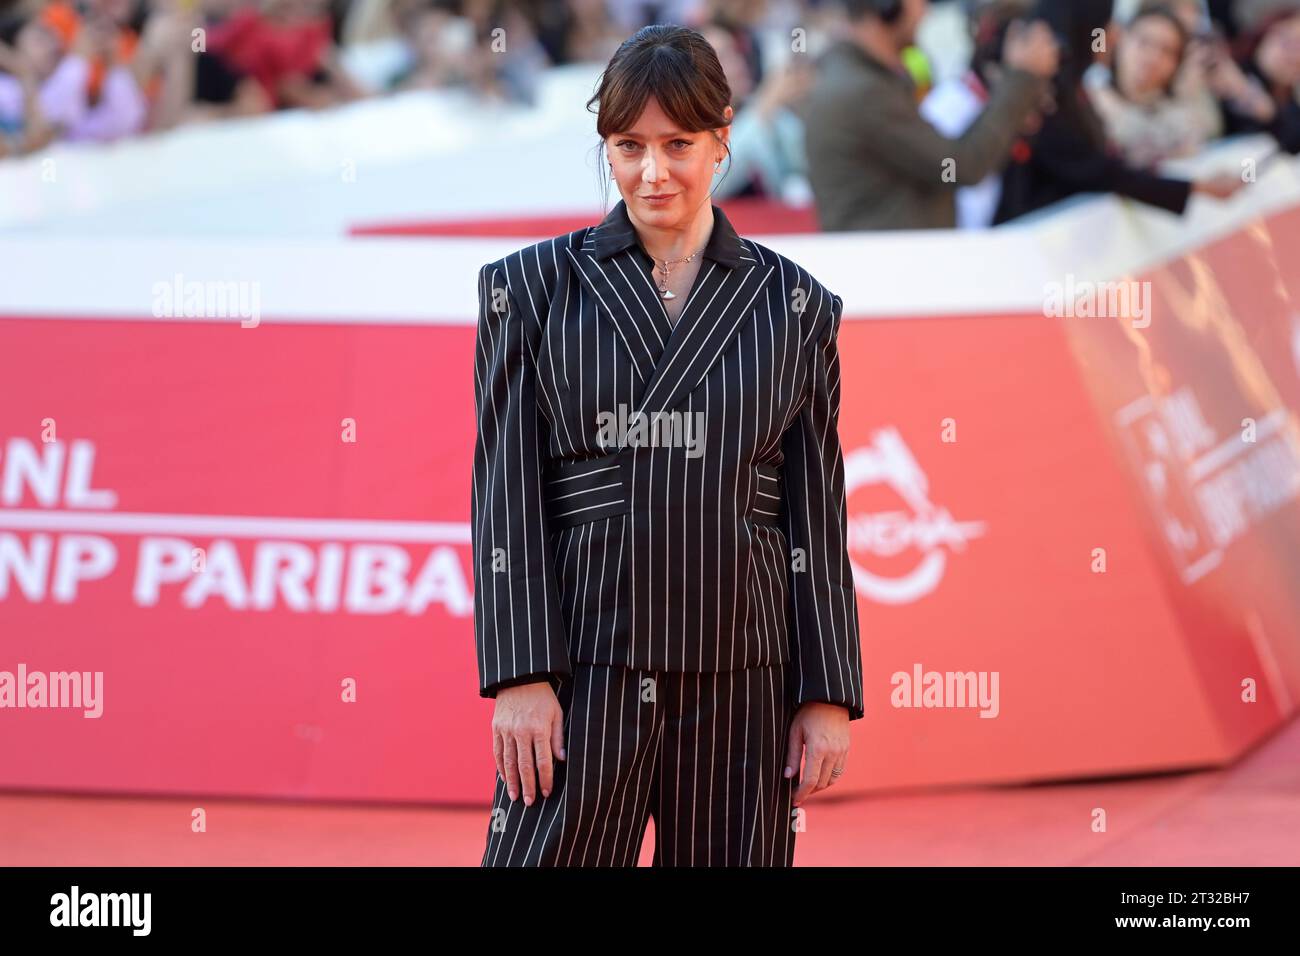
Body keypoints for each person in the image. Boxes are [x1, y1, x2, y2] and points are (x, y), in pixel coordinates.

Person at [471, 24, 864, 867]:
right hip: (584, 667)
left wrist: (826, 691)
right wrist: (519, 675)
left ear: (724, 135)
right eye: (628, 146)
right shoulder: (528, 289)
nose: (654, 172)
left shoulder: (797, 306)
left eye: (679, 144)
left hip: (741, 671)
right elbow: (504, 494)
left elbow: (815, 511)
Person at [800, 0, 1059, 231]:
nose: (926, 10)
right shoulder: (863, 91)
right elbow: (963, 167)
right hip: (893, 272)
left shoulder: (861, 80)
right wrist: (1022, 77)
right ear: (886, 5)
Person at [993, 0, 1244, 224]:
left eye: (1167, 51)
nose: (1112, 35)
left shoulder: (1072, 92)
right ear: (1085, 29)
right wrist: (1199, 188)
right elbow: (1099, 171)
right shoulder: (1046, 99)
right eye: (1103, 27)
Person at [1088, 3, 1216, 167]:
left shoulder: (1177, 111)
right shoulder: (1089, 102)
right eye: (1144, 42)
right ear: (1120, 39)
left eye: (1166, 50)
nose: (1152, 57)